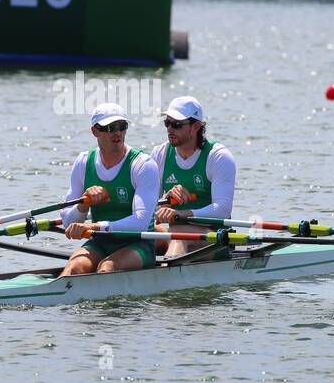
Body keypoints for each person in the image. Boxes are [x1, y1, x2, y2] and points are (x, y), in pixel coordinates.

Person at [59, 103, 161, 275]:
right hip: (100, 243)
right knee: (73, 268)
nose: (117, 133)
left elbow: (141, 222)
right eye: (110, 127)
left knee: (107, 267)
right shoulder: (83, 163)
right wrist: (83, 205)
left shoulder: (142, 164)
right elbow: (68, 223)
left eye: (122, 126)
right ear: (95, 131)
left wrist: (95, 226)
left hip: (138, 244)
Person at [151, 96, 237, 257]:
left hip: (213, 237)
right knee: (137, 229)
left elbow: (223, 209)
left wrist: (182, 214)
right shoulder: (160, 154)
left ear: (196, 126)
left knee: (178, 235)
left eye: (176, 124)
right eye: (167, 123)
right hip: (174, 230)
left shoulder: (218, 157)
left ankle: (167, 276)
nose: (170, 129)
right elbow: (148, 206)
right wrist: (165, 203)